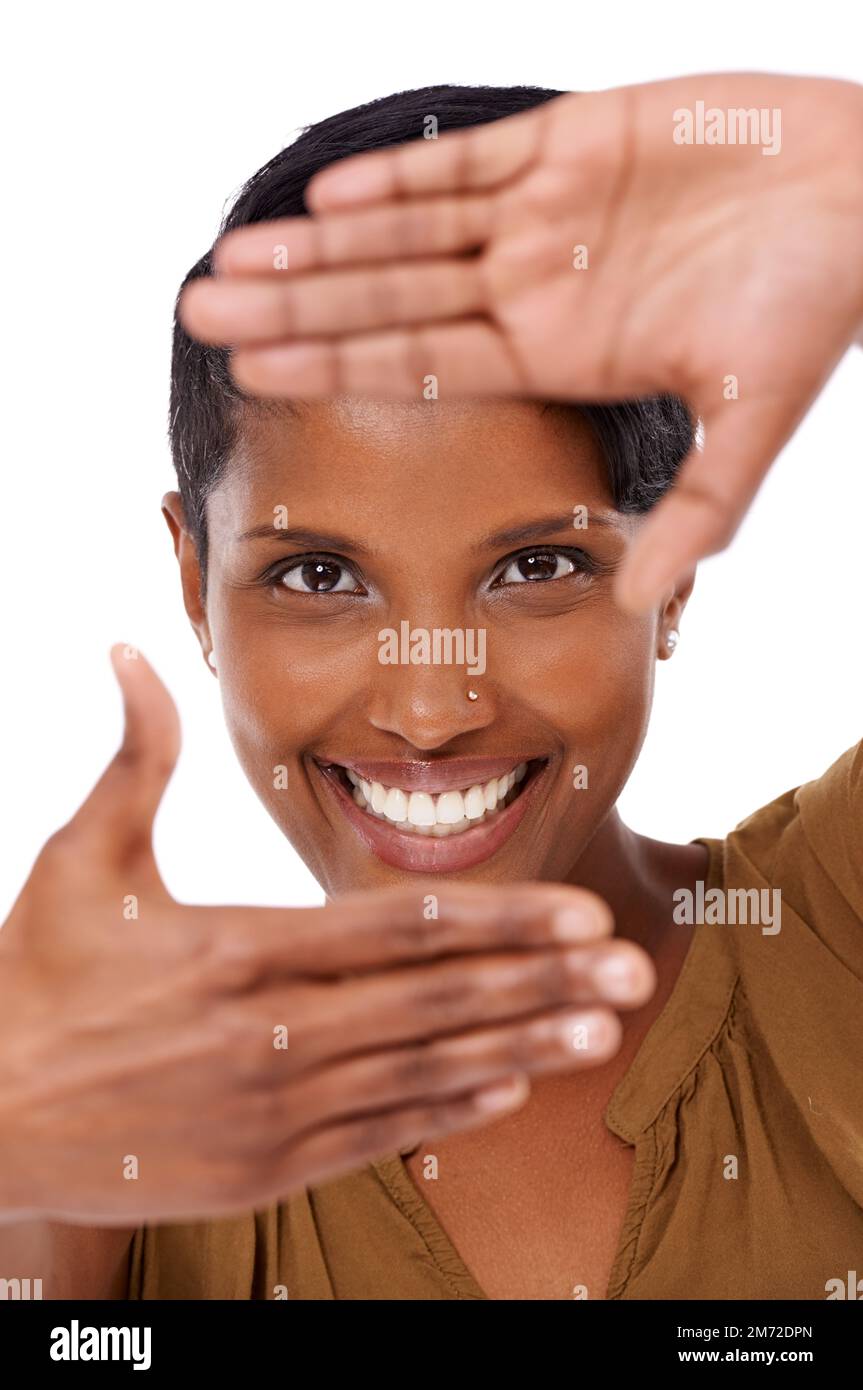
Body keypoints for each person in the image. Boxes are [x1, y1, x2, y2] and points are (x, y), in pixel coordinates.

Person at [1, 74, 861, 1300]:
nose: (426, 707)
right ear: (194, 582)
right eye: (317, 574)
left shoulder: (832, 930)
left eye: (535, 566)